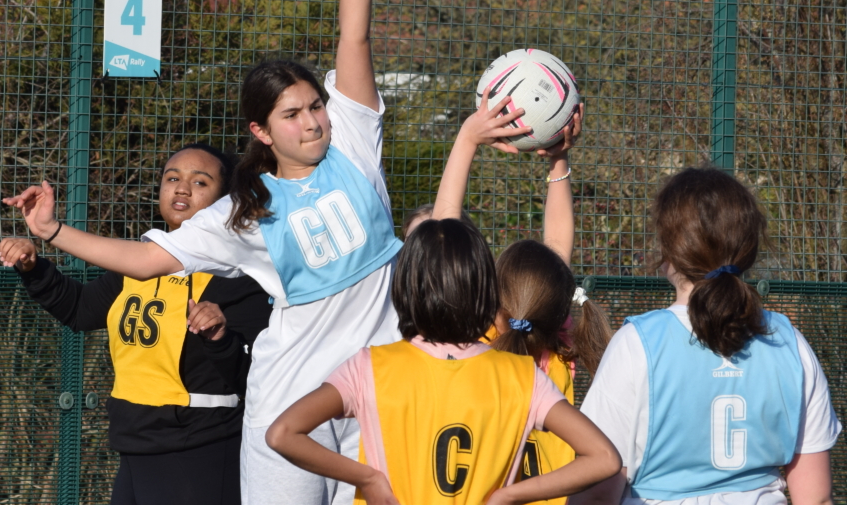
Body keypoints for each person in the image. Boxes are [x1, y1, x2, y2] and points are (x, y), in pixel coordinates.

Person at [4, 0, 401, 505]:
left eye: (316, 107)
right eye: (294, 113)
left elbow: (352, 41)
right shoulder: (243, 211)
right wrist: (53, 232)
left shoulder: (355, 142)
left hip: (375, 397)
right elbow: (141, 258)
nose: (313, 121)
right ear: (263, 132)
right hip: (288, 404)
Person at [264, 216, 622, 505]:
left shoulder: (370, 366)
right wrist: (509, 495)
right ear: (486, 291)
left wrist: (368, 478)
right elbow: (605, 458)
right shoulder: (522, 375)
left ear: (404, 288)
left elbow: (281, 433)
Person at [0, 144, 269, 505]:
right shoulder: (139, 263)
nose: (182, 188)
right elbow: (79, 309)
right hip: (136, 440)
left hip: (202, 446)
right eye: (172, 178)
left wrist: (219, 338)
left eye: (200, 181)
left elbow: (255, 378)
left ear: (225, 199)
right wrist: (34, 269)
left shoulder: (238, 275)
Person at [571, 166, 842, 505]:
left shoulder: (637, 345)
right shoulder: (789, 343)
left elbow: (597, 494)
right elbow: (815, 499)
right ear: (748, 248)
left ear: (669, 251)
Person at [430, 95, 610, 505]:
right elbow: (558, 247)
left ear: (491, 292)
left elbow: (443, 227)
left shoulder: (475, 338)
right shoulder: (561, 346)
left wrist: (467, 139)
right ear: (558, 302)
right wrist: (559, 159)